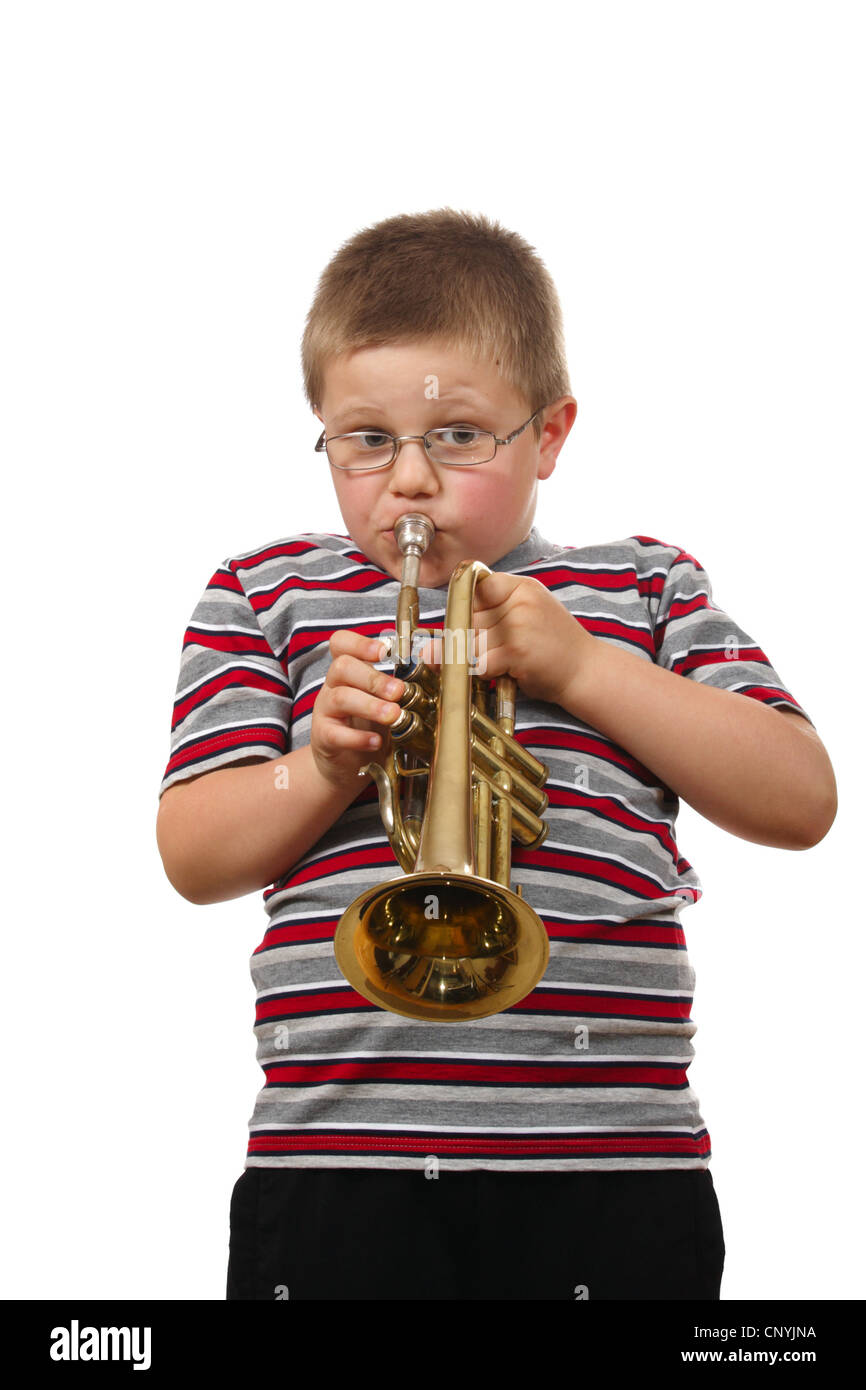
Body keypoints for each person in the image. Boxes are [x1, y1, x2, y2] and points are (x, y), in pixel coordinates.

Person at [155, 209, 837, 1301]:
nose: (408, 482)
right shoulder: (264, 595)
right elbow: (193, 854)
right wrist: (321, 766)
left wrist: (585, 670)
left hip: (612, 1165)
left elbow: (800, 798)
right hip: (338, 1162)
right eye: (366, 440)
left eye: (458, 434)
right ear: (323, 435)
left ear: (550, 435)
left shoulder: (641, 587)